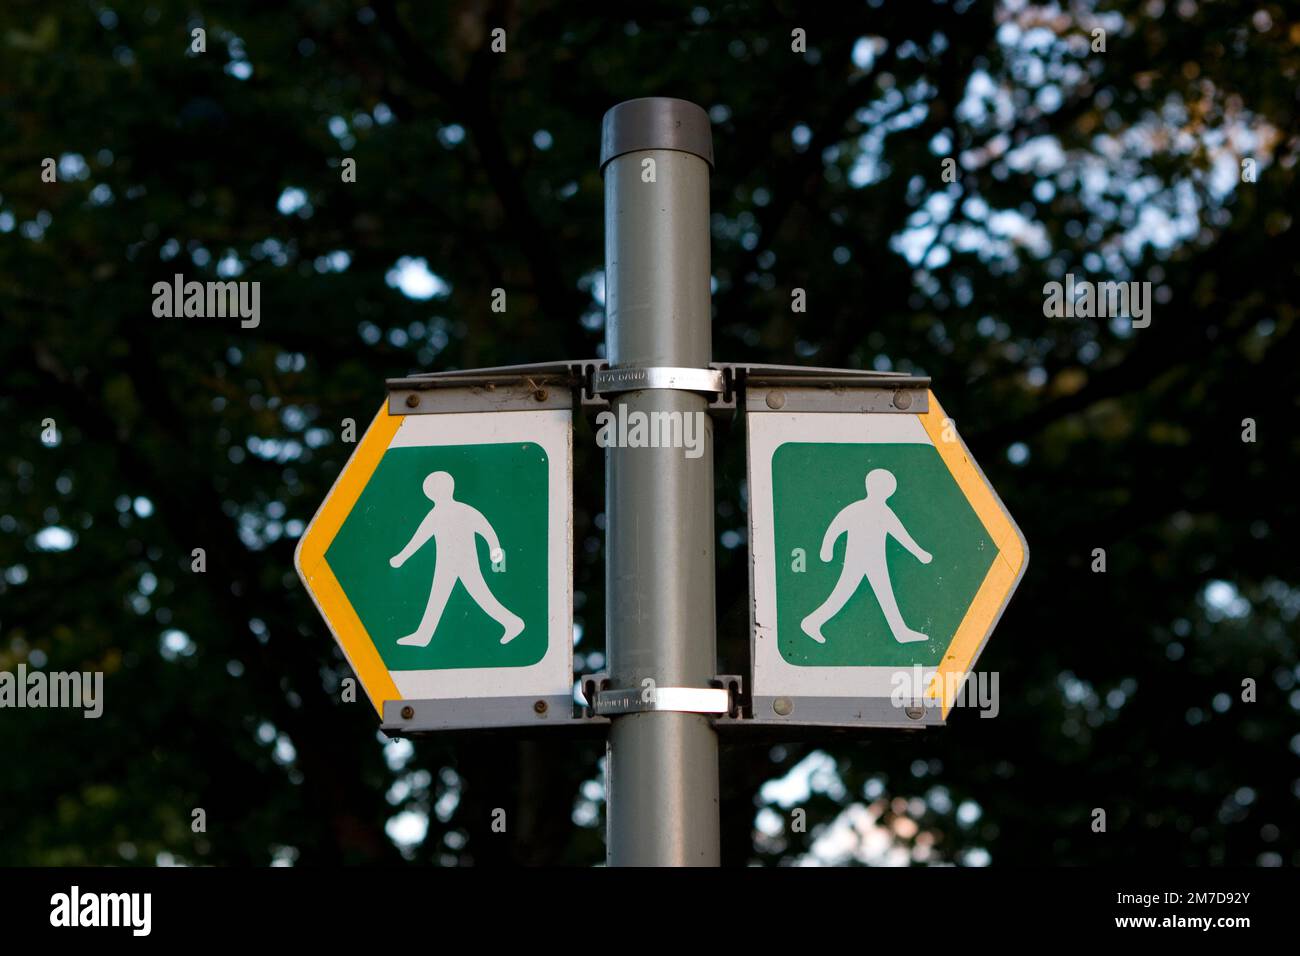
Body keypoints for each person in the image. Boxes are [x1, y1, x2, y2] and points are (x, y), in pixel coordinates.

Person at [388, 471, 525, 647]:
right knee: (441, 597)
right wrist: (401, 557)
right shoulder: (451, 512)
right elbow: (419, 539)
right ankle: (424, 635)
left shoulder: (451, 512)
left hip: (463, 563)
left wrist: (496, 553)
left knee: (480, 596)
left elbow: (486, 530)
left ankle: (513, 623)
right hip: (448, 564)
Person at [800, 468, 933, 645]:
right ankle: (812, 622)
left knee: (883, 595)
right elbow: (836, 527)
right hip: (857, 560)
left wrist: (919, 553)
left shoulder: (882, 512)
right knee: (842, 594)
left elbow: (902, 536)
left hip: (875, 561)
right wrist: (827, 549)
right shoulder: (859, 509)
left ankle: (900, 632)